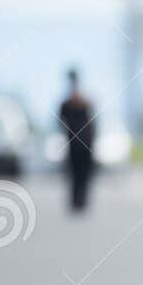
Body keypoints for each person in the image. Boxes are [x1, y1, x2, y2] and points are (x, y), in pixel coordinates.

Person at [58, 69, 97, 212]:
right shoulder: (66, 103)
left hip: (84, 143)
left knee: (84, 173)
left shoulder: (85, 101)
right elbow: (61, 121)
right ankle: (76, 201)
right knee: (74, 173)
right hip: (73, 143)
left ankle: (82, 201)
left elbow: (92, 122)